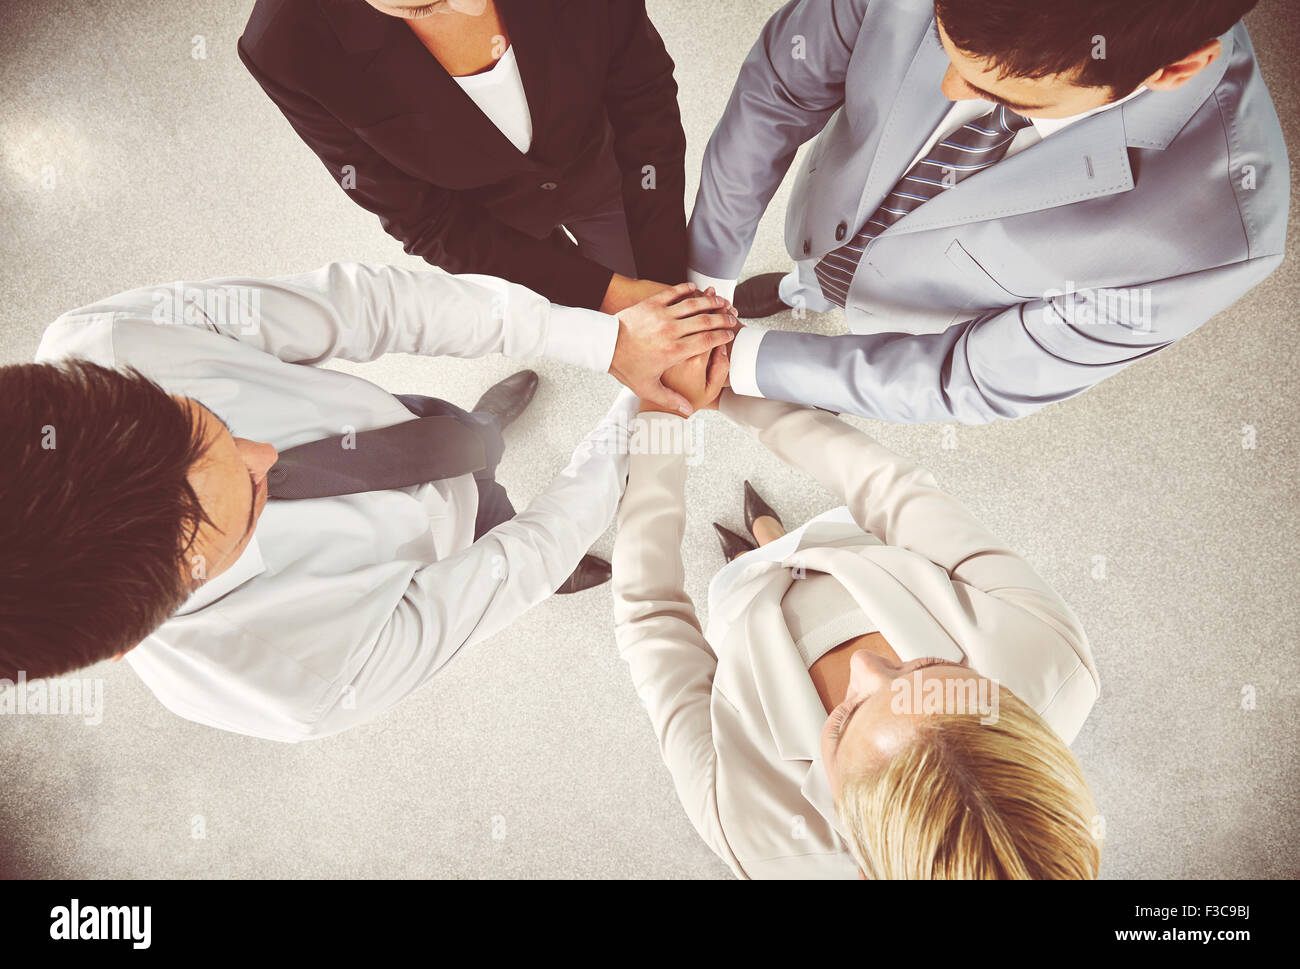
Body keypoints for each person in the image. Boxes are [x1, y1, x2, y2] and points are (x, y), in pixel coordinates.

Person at [0, 265, 735, 742]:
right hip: (445, 550)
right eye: (250, 497)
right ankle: (490, 481)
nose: (264, 455)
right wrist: (645, 414)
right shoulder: (296, 683)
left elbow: (369, 306)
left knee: (459, 435)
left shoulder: (104, 344)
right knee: (510, 548)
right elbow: (515, 567)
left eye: (205, 421)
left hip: (394, 418)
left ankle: (477, 431)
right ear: (135, 633)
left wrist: (598, 339)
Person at [611, 351, 1102, 877]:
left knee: (748, 582)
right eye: (921, 667)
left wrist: (659, 419)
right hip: (845, 549)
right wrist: (723, 384)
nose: (866, 665)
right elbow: (891, 492)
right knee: (788, 550)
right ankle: (770, 538)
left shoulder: (752, 834)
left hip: (742, 615)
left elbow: (651, 614)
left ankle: (754, 556)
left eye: (843, 721)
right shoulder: (1053, 656)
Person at [686, 0, 1288, 423]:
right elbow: (779, 91)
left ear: (1176, 69)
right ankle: (802, 290)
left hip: (913, 319)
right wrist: (704, 277)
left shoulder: (1213, 241)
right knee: (813, 275)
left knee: (836, 370)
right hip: (830, 211)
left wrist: (741, 363)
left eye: (1001, 92)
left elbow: (966, 376)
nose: (949, 88)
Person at [239, 0, 689, 325]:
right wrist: (606, 298)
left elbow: (644, 101)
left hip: (605, 173)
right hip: (490, 232)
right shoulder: (286, 48)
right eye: (426, 3)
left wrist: (672, 288)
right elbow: (424, 220)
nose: (474, 6)